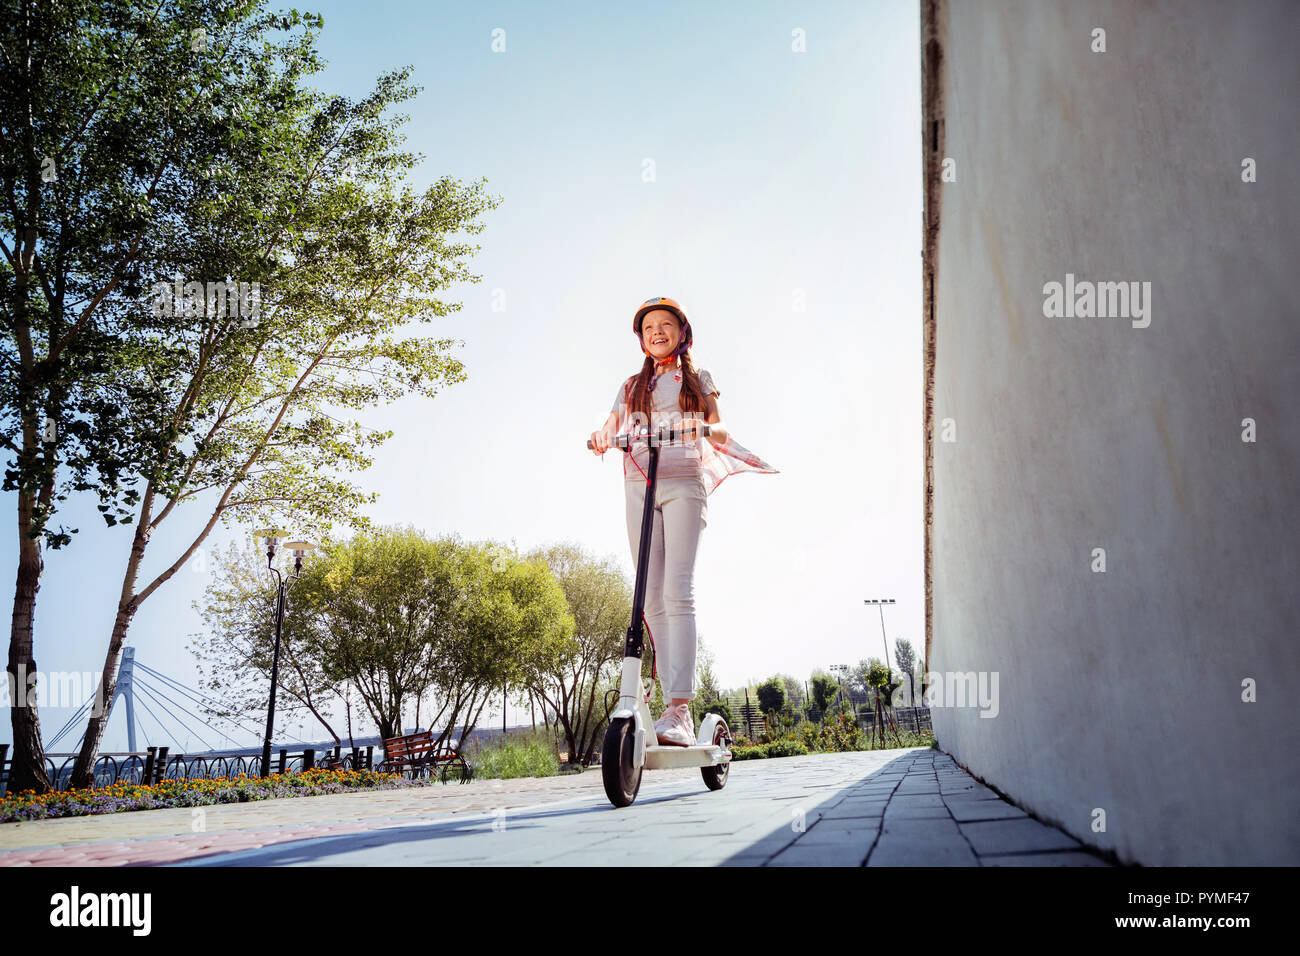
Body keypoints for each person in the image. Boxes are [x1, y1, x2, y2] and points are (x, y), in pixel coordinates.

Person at [588, 296, 777, 747]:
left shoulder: (696, 378)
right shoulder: (632, 385)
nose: (657, 331)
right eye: (649, 325)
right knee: (647, 595)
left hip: (683, 483)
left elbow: (722, 429)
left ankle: (680, 709)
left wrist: (703, 429)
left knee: (677, 590)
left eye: (666, 324)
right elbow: (610, 424)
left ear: (681, 332)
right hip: (640, 482)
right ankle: (654, 703)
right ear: (641, 337)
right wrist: (600, 435)